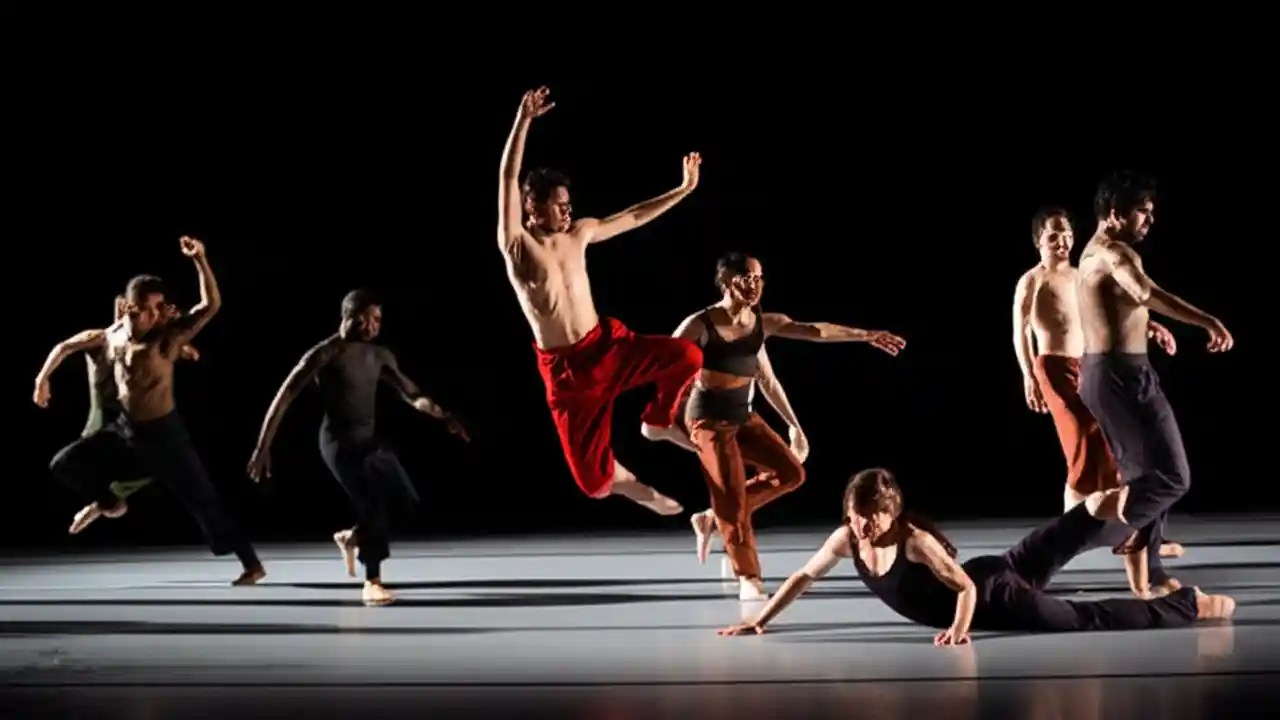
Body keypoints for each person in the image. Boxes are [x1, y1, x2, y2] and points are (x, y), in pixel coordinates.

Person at [644, 252, 906, 600]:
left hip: (743, 416)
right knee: (732, 500)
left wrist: (864, 335)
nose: (755, 285)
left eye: (759, 277)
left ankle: (711, 518)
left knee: (791, 473)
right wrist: (661, 418)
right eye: (746, 277)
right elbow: (664, 362)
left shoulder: (761, 323)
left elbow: (814, 334)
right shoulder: (700, 324)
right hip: (708, 419)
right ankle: (748, 577)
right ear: (726, 281)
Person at [718, 468, 1235, 643]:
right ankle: (1095, 510)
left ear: (891, 512)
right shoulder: (846, 539)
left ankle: (1187, 604)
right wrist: (760, 619)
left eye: (869, 518)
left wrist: (961, 630)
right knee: (1049, 545)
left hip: (994, 595)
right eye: (854, 516)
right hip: (994, 571)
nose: (860, 525)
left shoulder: (913, 541)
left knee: (1085, 619)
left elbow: (963, 590)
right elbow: (804, 577)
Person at [497, 86, 703, 514]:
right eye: (558, 206)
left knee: (687, 356)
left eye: (569, 205)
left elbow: (633, 215)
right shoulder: (517, 245)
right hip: (568, 373)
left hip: (607, 347)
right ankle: (629, 481)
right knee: (594, 484)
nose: (568, 213)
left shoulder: (579, 234)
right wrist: (523, 122)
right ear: (531, 208)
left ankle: (658, 421)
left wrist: (682, 190)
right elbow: (506, 179)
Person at [33, 236, 265, 586]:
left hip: (166, 434)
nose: (158, 313)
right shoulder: (109, 336)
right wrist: (42, 379)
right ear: (129, 308)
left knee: (204, 500)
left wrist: (200, 259)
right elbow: (65, 346)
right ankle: (110, 502)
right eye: (150, 307)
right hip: (127, 431)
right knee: (64, 463)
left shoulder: (166, 339)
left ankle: (251, 563)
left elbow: (210, 305)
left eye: (161, 306)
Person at [247, 290, 469, 606]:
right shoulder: (324, 353)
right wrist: (262, 447)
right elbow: (284, 397)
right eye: (368, 318)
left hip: (369, 441)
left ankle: (352, 536)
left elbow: (412, 393)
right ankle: (372, 581)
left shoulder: (379, 356)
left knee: (407, 503)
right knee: (373, 502)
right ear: (350, 316)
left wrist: (441, 415)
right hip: (338, 442)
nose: (374, 325)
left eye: (378, 319)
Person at [1076, 171, 1234, 598]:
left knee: (1144, 476)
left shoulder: (1089, 254)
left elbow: (1115, 305)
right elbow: (1143, 291)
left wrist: (1149, 327)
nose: (1149, 221)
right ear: (1114, 214)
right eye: (1142, 212)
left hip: (1105, 371)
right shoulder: (1114, 252)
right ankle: (1099, 533)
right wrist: (1208, 320)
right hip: (1121, 375)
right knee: (1171, 477)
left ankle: (1151, 574)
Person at [1012, 207, 1184, 595]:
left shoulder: (1080, 275)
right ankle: (1066, 535)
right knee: (1086, 441)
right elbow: (1019, 332)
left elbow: (1111, 310)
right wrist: (1028, 376)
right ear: (1039, 240)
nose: (1063, 241)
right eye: (1054, 235)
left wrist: (1151, 325)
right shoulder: (1032, 281)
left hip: (1087, 365)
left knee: (1114, 445)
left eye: (1067, 233)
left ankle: (1137, 534)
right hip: (1053, 369)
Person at [51, 296, 202, 534]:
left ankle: (103, 502)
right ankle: (104, 501)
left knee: (157, 461)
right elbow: (64, 347)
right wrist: (42, 380)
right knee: (73, 462)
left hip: (130, 416)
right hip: (104, 414)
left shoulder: (147, 343)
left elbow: (186, 350)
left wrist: (172, 325)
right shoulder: (102, 338)